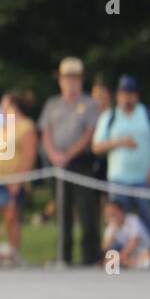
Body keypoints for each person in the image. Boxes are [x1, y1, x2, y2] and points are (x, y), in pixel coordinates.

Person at [39, 58, 102, 266]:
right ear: (61, 80)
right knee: (62, 209)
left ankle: (90, 256)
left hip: (81, 162)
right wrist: (54, 154)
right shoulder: (53, 104)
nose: (71, 83)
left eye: (75, 78)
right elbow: (46, 132)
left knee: (86, 210)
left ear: (81, 80)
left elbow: (89, 133)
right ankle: (63, 255)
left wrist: (68, 154)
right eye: (67, 78)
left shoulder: (89, 104)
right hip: (57, 163)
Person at [92, 75, 150, 245]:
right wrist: (120, 142)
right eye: (124, 94)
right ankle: (114, 260)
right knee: (115, 222)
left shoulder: (147, 114)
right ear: (118, 96)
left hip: (143, 178)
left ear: (136, 96)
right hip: (118, 180)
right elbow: (96, 147)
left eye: (130, 94)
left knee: (149, 220)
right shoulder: (109, 117)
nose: (127, 98)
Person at [0, 92, 38, 267]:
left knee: (11, 217)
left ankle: (13, 252)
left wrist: (18, 180)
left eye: (3, 104)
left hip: (11, 179)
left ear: (12, 105)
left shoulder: (25, 126)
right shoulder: (1, 127)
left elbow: (28, 155)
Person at [101, 199, 150, 270]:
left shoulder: (133, 220)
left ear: (121, 212)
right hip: (127, 253)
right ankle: (125, 263)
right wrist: (111, 235)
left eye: (113, 214)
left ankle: (126, 263)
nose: (111, 218)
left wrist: (118, 259)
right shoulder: (111, 226)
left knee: (144, 261)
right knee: (111, 255)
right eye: (108, 215)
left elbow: (134, 242)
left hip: (144, 250)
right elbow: (105, 247)